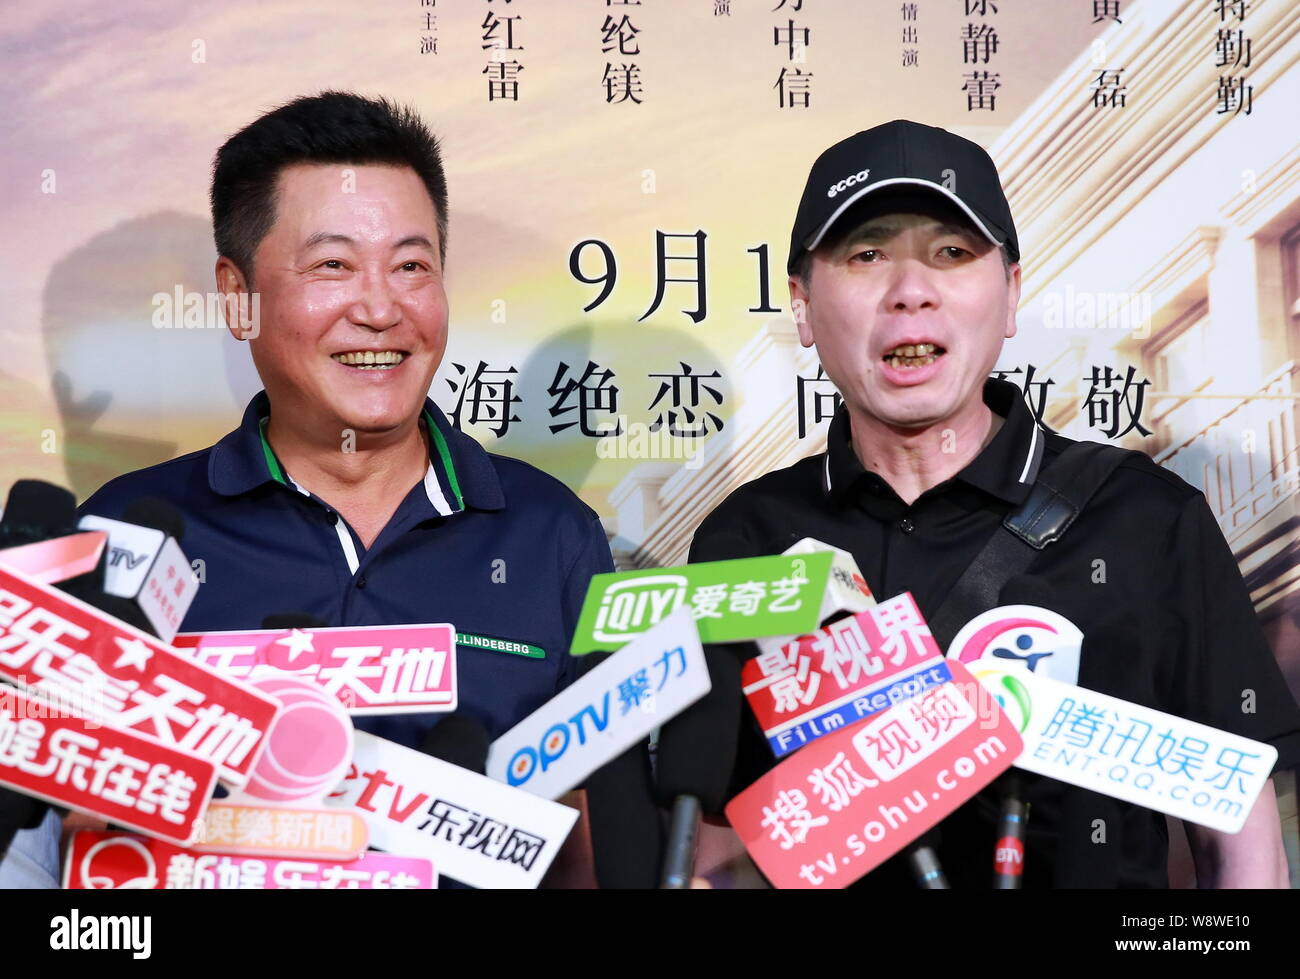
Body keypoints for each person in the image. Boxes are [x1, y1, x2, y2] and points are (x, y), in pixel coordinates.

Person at [690, 119, 1300, 888]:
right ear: (804, 306)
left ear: (1011, 293)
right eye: (867, 254)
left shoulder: (1147, 518)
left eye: (951, 253)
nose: (910, 291)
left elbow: (1241, 852)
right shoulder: (745, 541)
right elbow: (714, 849)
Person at [75, 94, 613, 883]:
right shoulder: (128, 533)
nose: (380, 308)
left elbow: (590, 851)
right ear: (236, 294)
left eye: (411, 266)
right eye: (332, 265)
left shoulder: (551, 534)